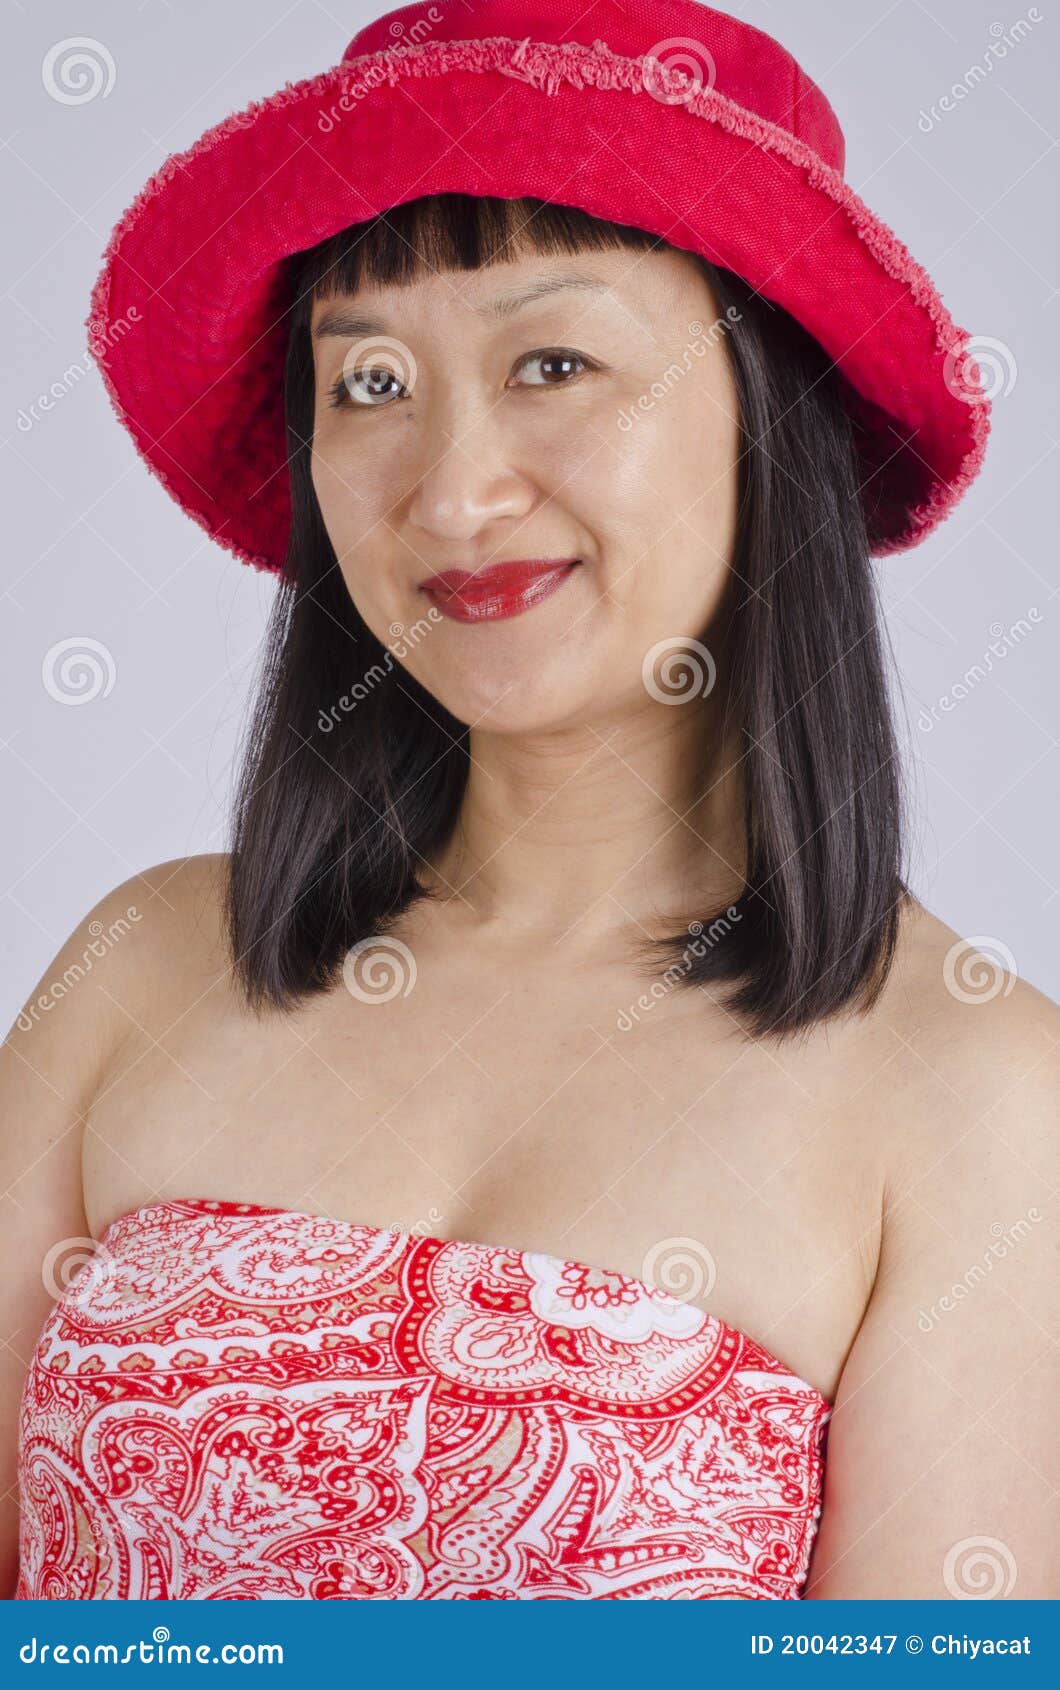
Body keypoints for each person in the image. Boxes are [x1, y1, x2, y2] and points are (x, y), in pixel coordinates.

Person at [3, 0, 1055, 1601]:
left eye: (553, 361)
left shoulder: (980, 1095)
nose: (450, 488)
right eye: (366, 383)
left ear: (776, 416)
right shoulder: (142, 963)